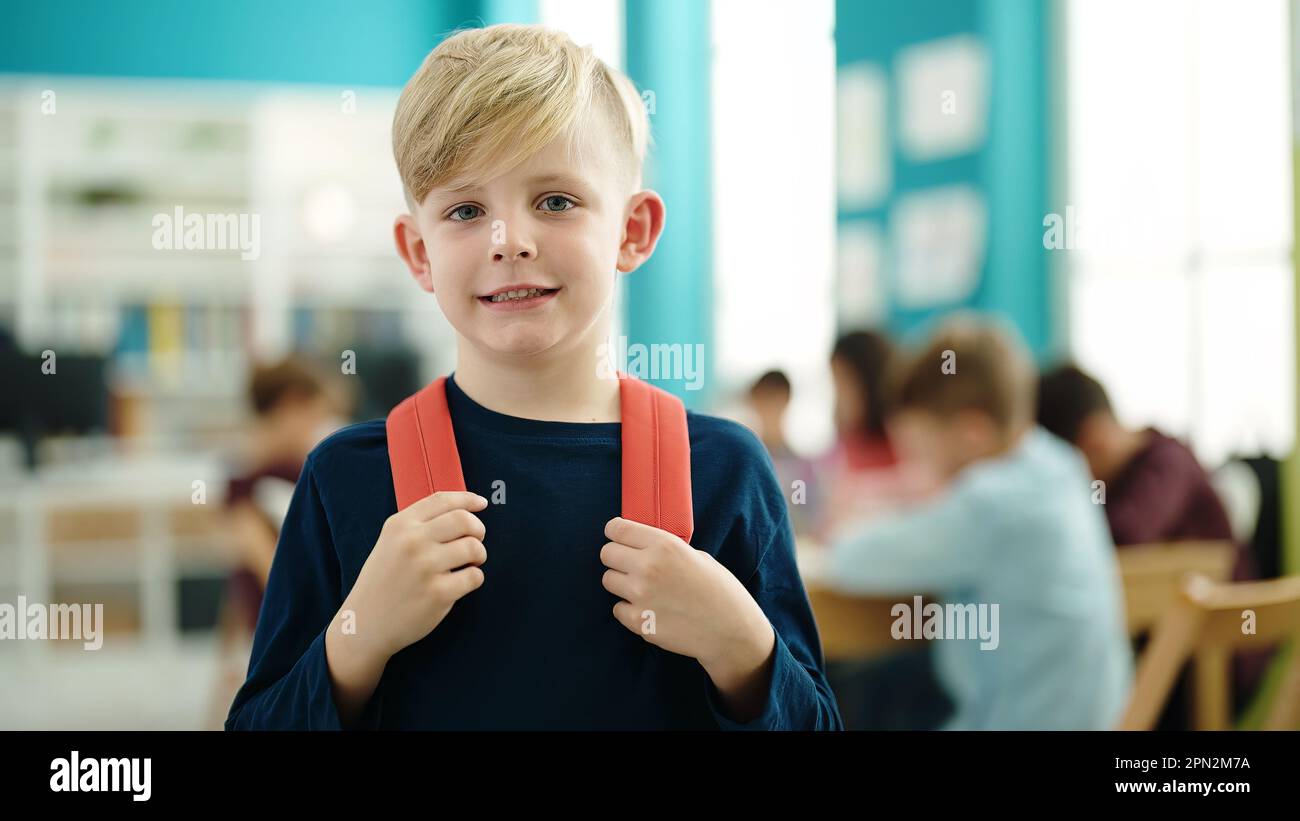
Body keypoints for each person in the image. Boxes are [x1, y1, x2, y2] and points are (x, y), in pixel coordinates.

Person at [226, 24, 840, 730]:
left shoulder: (725, 472)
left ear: (632, 231)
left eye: (555, 201)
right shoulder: (345, 479)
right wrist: (356, 635)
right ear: (418, 252)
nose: (508, 240)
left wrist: (741, 645)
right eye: (465, 210)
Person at [826, 316, 1132, 730]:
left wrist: (854, 515)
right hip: (1096, 718)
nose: (915, 467)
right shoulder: (1057, 464)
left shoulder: (992, 504)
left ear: (972, 434)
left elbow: (853, 560)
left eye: (918, 448)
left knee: (854, 691)